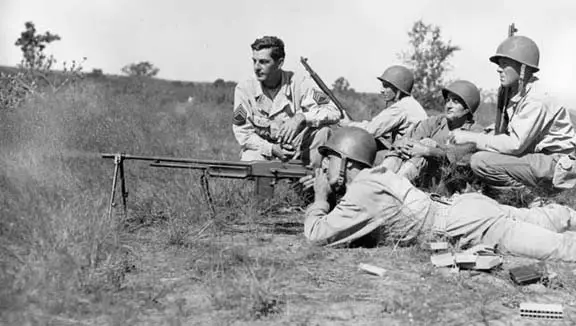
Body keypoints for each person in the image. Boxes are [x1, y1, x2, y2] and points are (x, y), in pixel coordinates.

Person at [304, 126, 576, 261]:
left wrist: (319, 198)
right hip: (464, 208)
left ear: (347, 161)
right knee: (551, 218)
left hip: (463, 224)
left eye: (330, 158)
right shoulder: (375, 176)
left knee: (560, 247)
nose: (324, 164)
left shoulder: (360, 193)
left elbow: (317, 236)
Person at [449, 35, 576, 200]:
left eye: (504, 64)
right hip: (536, 157)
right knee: (471, 154)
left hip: (555, 163)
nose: (498, 69)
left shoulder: (537, 98)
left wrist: (471, 137)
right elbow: (510, 128)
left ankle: (533, 200)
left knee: (481, 162)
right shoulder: (514, 91)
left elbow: (514, 145)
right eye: (499, 64)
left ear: (523, 69)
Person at [232, 36, 342, 166]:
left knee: (323, 132)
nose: (257, 67)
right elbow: (242, 132)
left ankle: (311, 180)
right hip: (263, 150)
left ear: (280, 63)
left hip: (297, 148)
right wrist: (271, 149)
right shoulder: (244, 89)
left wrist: (301, 118)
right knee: (250, 159)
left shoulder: (300, 82)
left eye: (263, 62)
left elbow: (333, 111)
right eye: (254, 61)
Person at [380, 80, 483, 184]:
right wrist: (401, 143)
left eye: (455, 101)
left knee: (427, 143)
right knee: (403, 146)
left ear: (467, 109)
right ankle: (377, 181)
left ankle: (393, 186)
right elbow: (412, 137)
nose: (449, 105)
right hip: (424, 176)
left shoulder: (475, 133)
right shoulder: (436, 122)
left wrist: (426, 150)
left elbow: (455, 155)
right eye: (447, 100)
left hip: (449, 183)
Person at [341, 65, 427, 148]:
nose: (382, 90)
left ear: (398, 89)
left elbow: (370, 131)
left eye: (386, 86)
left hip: (410, 155)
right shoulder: (410, 104)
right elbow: (377, 126)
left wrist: (348, 124)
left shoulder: (401, 108)